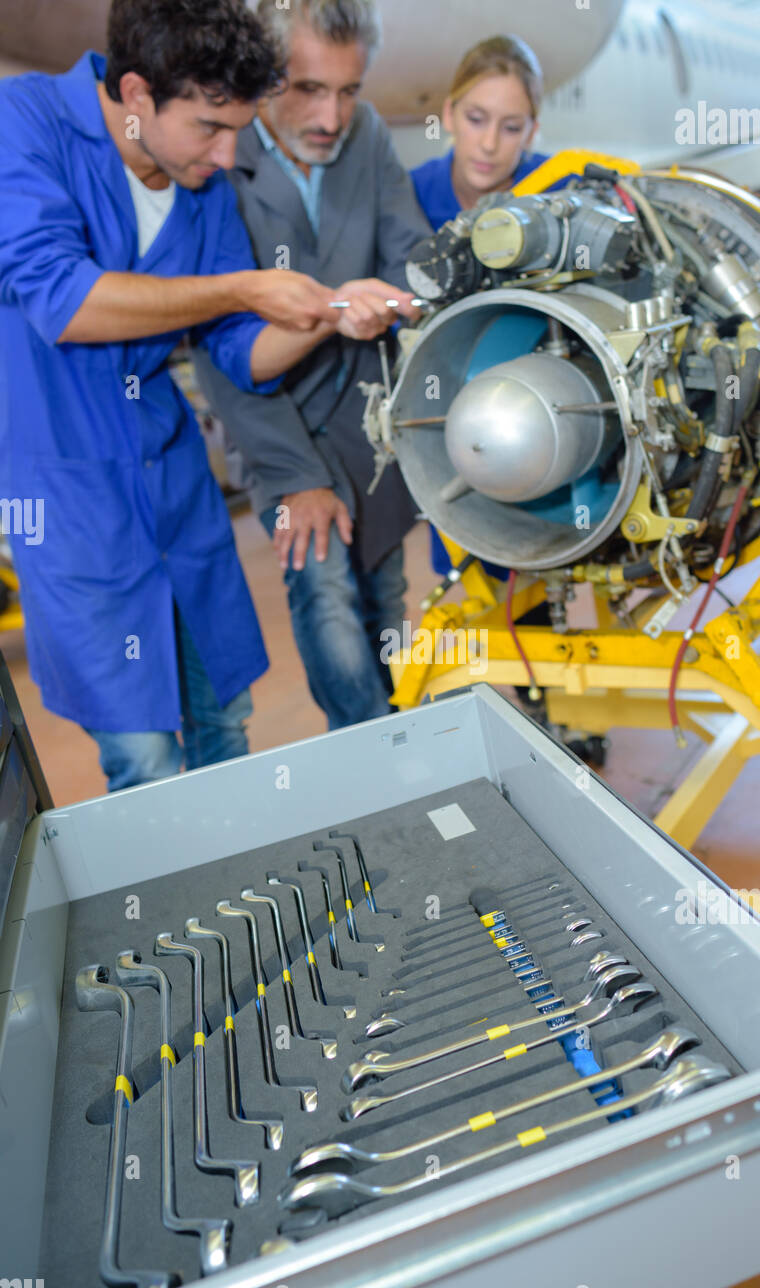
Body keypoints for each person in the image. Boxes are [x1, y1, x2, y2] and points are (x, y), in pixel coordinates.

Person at [0, 0, 390, 792]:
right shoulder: (24, 124)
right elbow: (64, 302)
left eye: (239, 127)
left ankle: (235, 908)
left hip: (176, 483)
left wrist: (326, 313)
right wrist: (244, 287)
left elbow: (240, 353)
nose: (228, 151)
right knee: (142, 756)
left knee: (222, 720)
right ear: (138, 94)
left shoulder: (202, 186)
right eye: (210, 126)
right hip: (70, 495)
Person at [191, 0, 430, 732]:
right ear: (264, 77)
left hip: (364, 415)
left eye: (349, 91)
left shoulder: (366, 143)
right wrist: (298, 480)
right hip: (273, 421)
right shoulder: (220, 162)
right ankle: (374, 758)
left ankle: (382, 742)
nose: (331, 115)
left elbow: (410, 253)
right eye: (307, 89)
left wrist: (396, 300)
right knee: (324, 587)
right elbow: (220, 345)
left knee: (383, 593)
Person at [411, 34, 571, 576]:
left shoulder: (559, 192)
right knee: (469, 560)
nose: (488, 145)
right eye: (476, 119)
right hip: (444, 418)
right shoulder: (409, 197)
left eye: (511, 128)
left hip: (546, 413)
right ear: (449, 113)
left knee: (543, 562)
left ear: (533, 131)